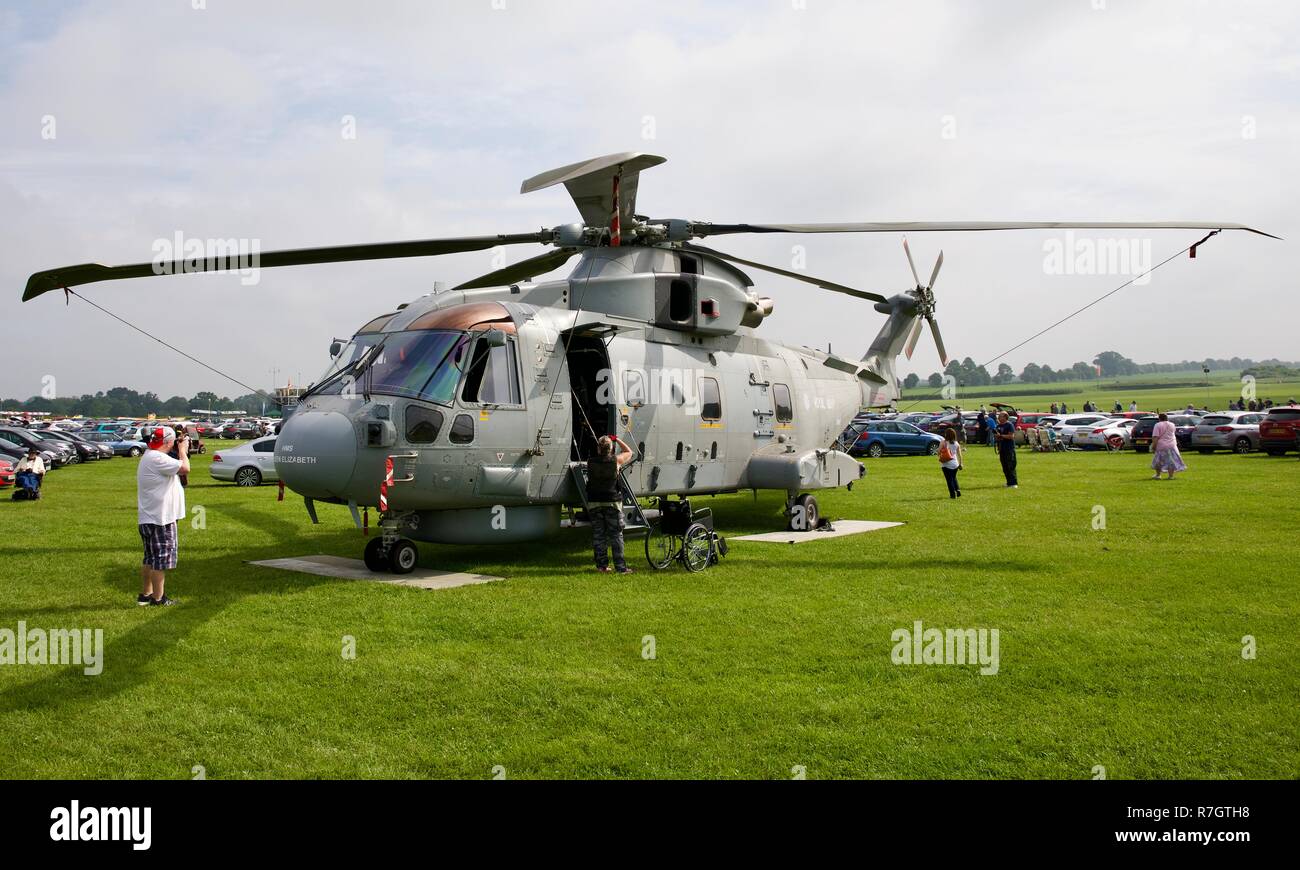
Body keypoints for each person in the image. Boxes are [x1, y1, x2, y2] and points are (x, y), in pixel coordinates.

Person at [137, 426, 188, 606]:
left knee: (149, 558)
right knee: (160, 561)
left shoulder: (151, 456)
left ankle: (146, 594)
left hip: (150, 516)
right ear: (168, 442)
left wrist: (178, 448)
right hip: (161, 519)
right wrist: (183, 450)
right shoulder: (158, 458)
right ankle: (158, 599)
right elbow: (185, 468)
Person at [586, 434, 634, 574]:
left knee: (599, 535)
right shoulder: (616, 460)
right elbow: (629, 452)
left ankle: (602, 566)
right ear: (611, 449)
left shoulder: (590, 461)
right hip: (612, 501)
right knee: (616, 535)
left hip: (594, 501)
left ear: (598, 449)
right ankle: (620, 567)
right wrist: (616, 439)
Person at [1150, 413, 1187, 480]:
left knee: (1158, 461)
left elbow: (1155, 437)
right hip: (1172, 445)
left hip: (1161, 446)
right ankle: (1171, 476)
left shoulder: (1157, 425)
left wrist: (1153, 446)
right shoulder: (1172, 424)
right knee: (1171, 461)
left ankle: (1158, 475)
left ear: (1159, 418)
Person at [938, 427, 964, 498]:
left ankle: (953, 495)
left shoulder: (943, 442)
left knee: (949, 480)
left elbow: (938, 451)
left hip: (946, 464)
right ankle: (958, 490)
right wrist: (960, 463)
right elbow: (959, 455)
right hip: (955, 464)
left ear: (946, 434)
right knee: (953, 477)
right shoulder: (956, 443)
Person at [994, 411, 1018, 488]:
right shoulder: (998, 426)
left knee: (1010, 465)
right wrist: (996, 436)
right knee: (1004, 467)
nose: (998, 417)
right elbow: (997, 436)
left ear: (1005, 417)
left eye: (1000, 416)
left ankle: (1013, 483)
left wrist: (1001, 436)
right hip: (1001, 448)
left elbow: (1011, 436)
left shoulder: (1009, 425)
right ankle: (1008, 482)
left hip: (1009, 448)